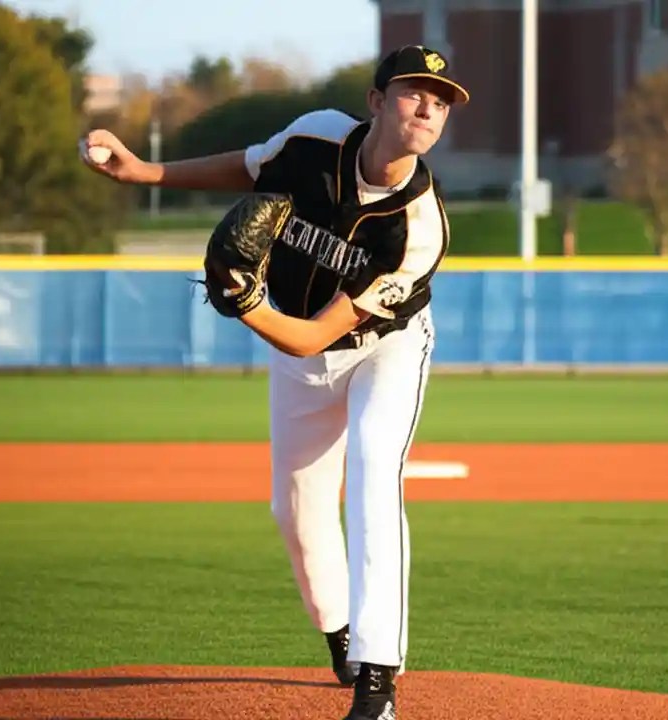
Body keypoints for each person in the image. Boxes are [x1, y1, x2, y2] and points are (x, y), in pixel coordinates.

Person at [80, 45, 469, 720]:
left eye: (442, 100)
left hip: (384, 350)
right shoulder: (315, 137)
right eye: (414, 91)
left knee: (376, 475)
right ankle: (341, 637)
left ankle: (378, 678)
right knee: (294, 508)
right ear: (377, 101)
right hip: (295, 342)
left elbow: (322, 332)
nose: (430, 106)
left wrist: (247, 306)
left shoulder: (418, 229)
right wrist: (144, 171)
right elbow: (251, 165)